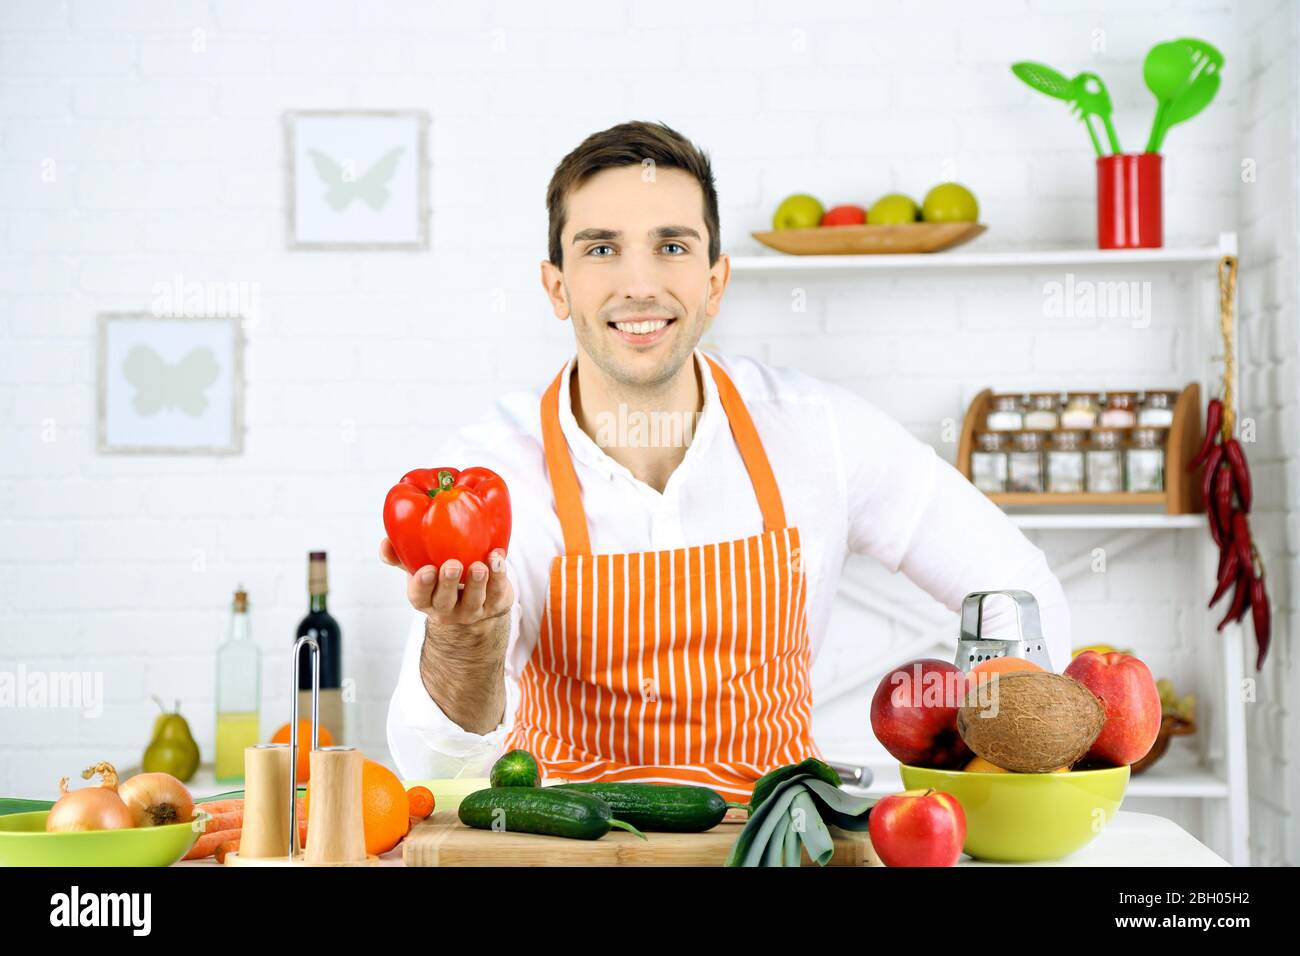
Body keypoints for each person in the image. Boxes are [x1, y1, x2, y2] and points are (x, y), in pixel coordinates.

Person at [384, 120, 1070, 798]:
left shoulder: (819, 432)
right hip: (572, 846)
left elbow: (1013, 582)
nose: (640, 284)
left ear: (715, 282)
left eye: (672, 246)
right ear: (556, 287)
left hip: (774, 846)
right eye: (600, 249)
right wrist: (463, 644)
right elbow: (432, 770)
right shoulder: (487, 478)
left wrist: (1003, 752)